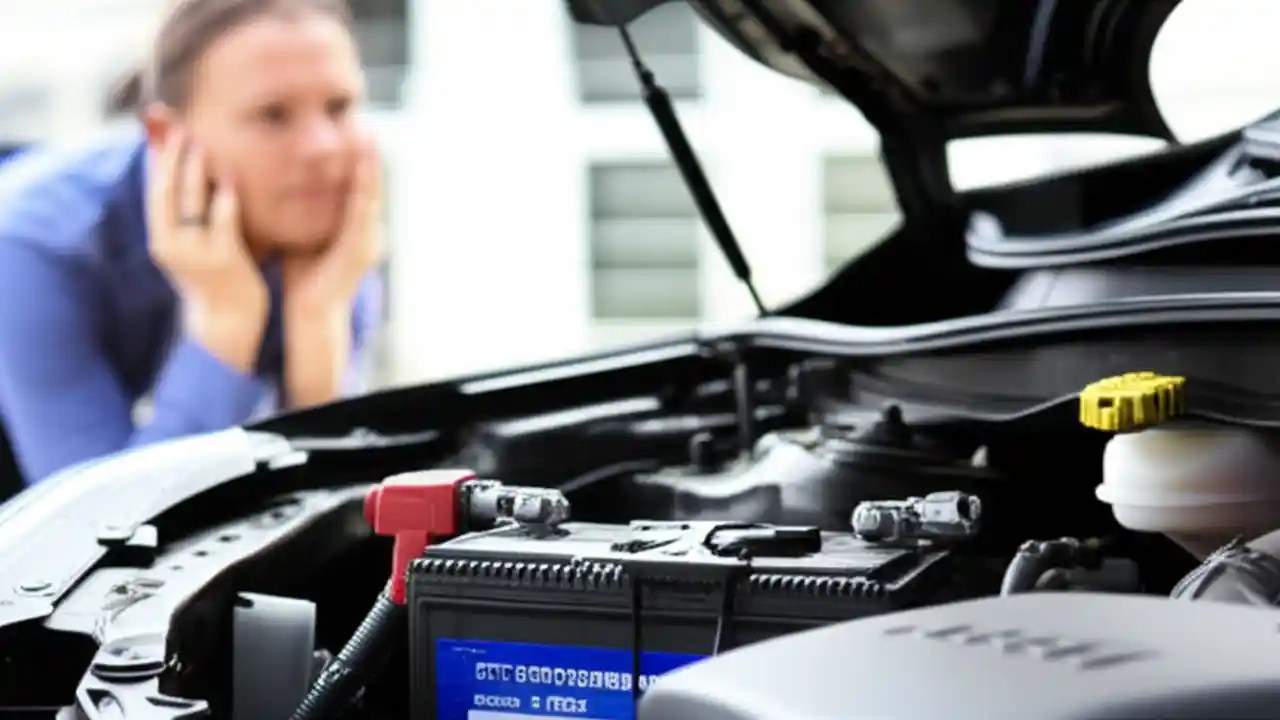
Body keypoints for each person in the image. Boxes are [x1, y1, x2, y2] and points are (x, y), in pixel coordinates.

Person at [0, 0, 383, 486]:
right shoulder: (34, 244)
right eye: (272, 115)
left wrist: (320, 323)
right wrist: (225, 322)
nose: (324, 146)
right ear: (166, 134)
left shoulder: (322, 232)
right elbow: (108, 522)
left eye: (339, 107)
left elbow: (328, 502)